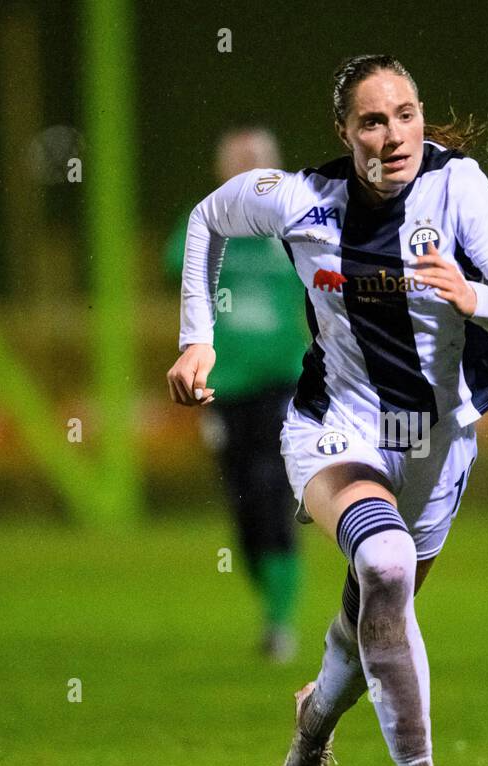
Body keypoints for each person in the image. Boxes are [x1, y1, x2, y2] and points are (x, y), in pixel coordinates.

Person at [167, 54, 488, 766]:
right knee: (382, 566)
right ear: (345, 133)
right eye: (372, 121)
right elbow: (206, 220)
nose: (393, 134)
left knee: (370, 614)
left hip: (436, 442)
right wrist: (196, 340)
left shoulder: (459, 189)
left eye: (406, 113)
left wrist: (474, 297)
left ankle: (312, 725)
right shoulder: (300, 199)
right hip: (335, 425)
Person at [164, 126, 311, 662]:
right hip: (222, 391)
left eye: (260, 164)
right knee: (243, 505)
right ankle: (271, 603)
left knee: (272, 487)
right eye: (239, 164)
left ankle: (280, 622)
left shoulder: (298, 224)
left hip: (285, 382)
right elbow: (176, 269)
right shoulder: (203, 224)